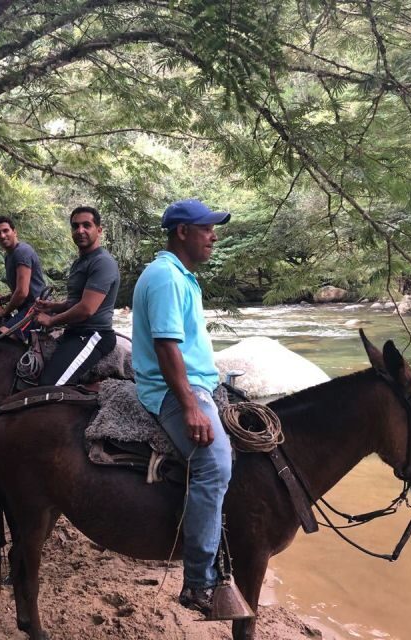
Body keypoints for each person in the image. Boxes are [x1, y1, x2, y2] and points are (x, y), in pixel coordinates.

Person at [131, 198, 233, 616]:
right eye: (207, 228)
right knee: (215, 463)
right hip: (174, 391)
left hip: (197, 383)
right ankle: (198, 582)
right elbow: (167, 347)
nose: (213, 236)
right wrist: (190, 406)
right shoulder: (166, 278)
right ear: (182, 232)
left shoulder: (182, 276)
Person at [35, 206, 120, 386]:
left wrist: (51, 320)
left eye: (86, 225)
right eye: (75, 226)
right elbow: (75, 301)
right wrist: (52, 307)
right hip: (75, 332)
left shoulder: (102, 262)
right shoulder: (80, 262)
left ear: (99, 230)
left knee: (50, 386)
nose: (80, 231)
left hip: (93, 334)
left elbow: (86, 309)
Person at [0, 216, 46, 340]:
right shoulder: (9, 256)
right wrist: (6, 298)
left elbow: (22, 292)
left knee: (1, 338)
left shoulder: (21, 252)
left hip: (37, 306)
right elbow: (22, 288)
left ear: (14, 231)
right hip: (26, 307)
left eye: (5, 230)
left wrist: (4, 311)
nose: (2, 235)